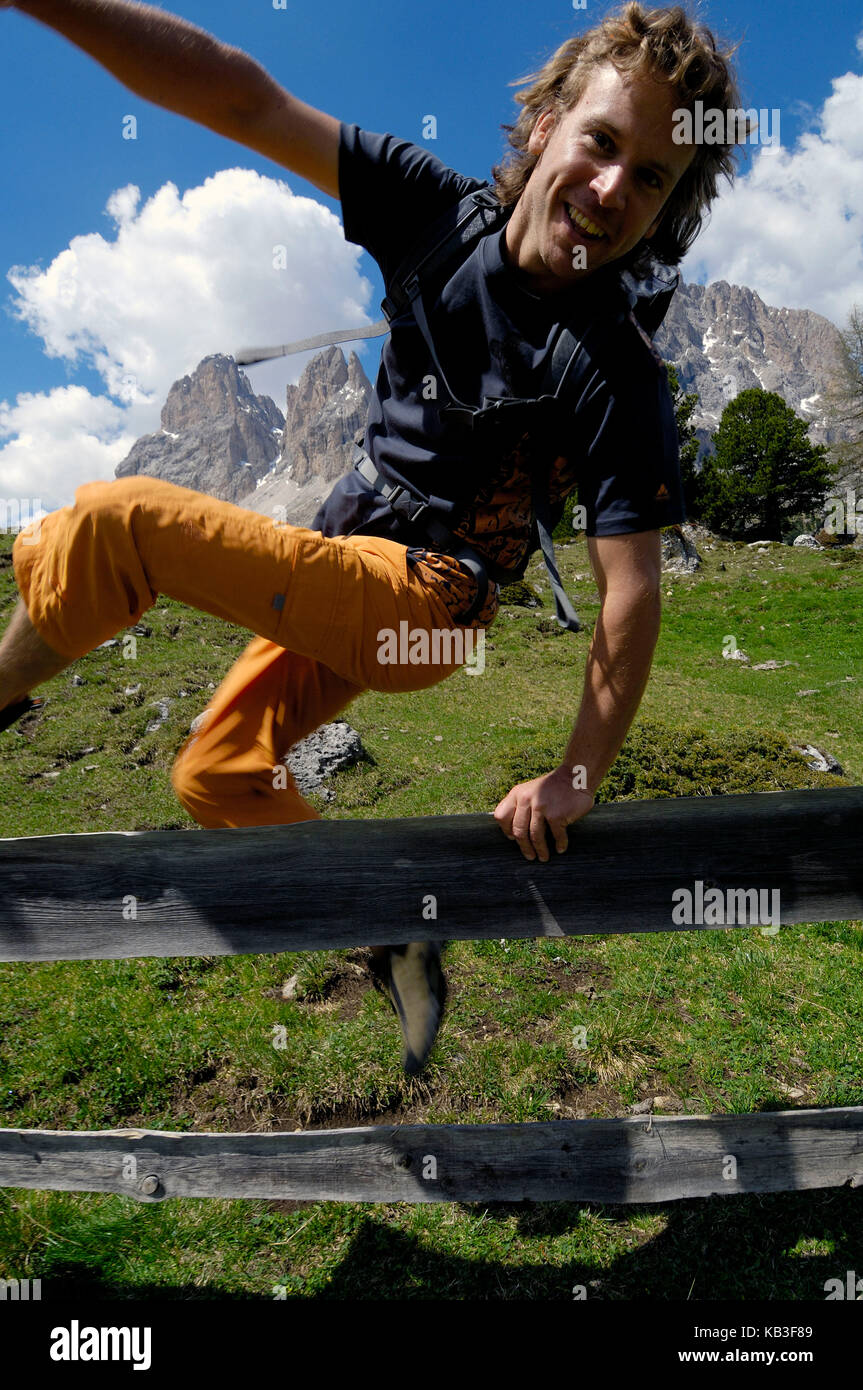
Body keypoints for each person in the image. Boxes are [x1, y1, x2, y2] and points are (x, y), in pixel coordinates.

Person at [0, 0, 741, 1074]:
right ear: (544, 126)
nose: (611, 189)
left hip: (431, 602)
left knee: (114, 526)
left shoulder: (615, 370)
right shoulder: (431, 213)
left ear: (665, 207)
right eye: (601, 142)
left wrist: (576, 776)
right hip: (350, 555)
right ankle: (392, 933)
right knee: (215, 771)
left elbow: (630, 589)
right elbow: (241, 96)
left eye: (652, 179)